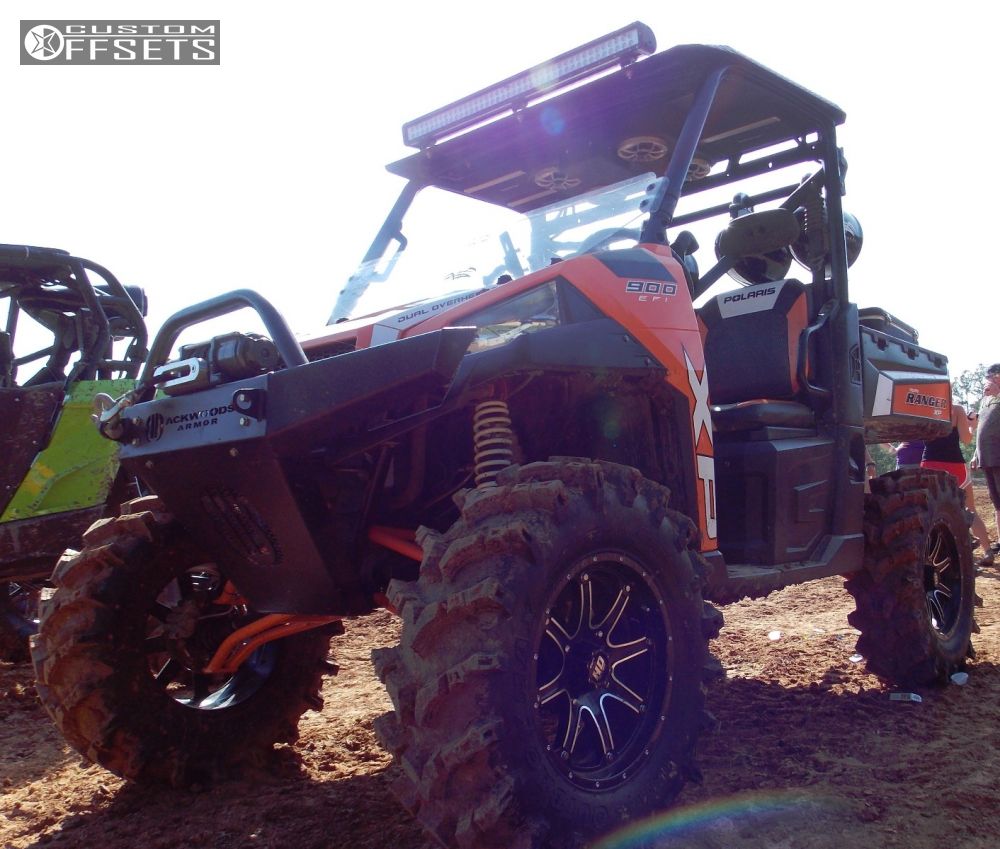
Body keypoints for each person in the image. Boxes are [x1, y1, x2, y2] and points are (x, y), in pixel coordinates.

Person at [921, 394, 993, 565]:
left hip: (929, 463)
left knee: (930, 511)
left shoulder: (922, 407)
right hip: (954, 465)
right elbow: (966, 440)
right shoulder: (957, 409)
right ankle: (988, 551)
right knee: (970, 509)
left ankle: (935, 553)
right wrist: (972, 425)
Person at [972, 364, 1000, 561]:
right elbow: (981, 426)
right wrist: (975, 453)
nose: (986, 382)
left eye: (989, 377)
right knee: (997, 503)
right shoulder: (985, 400)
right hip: (987, 458)